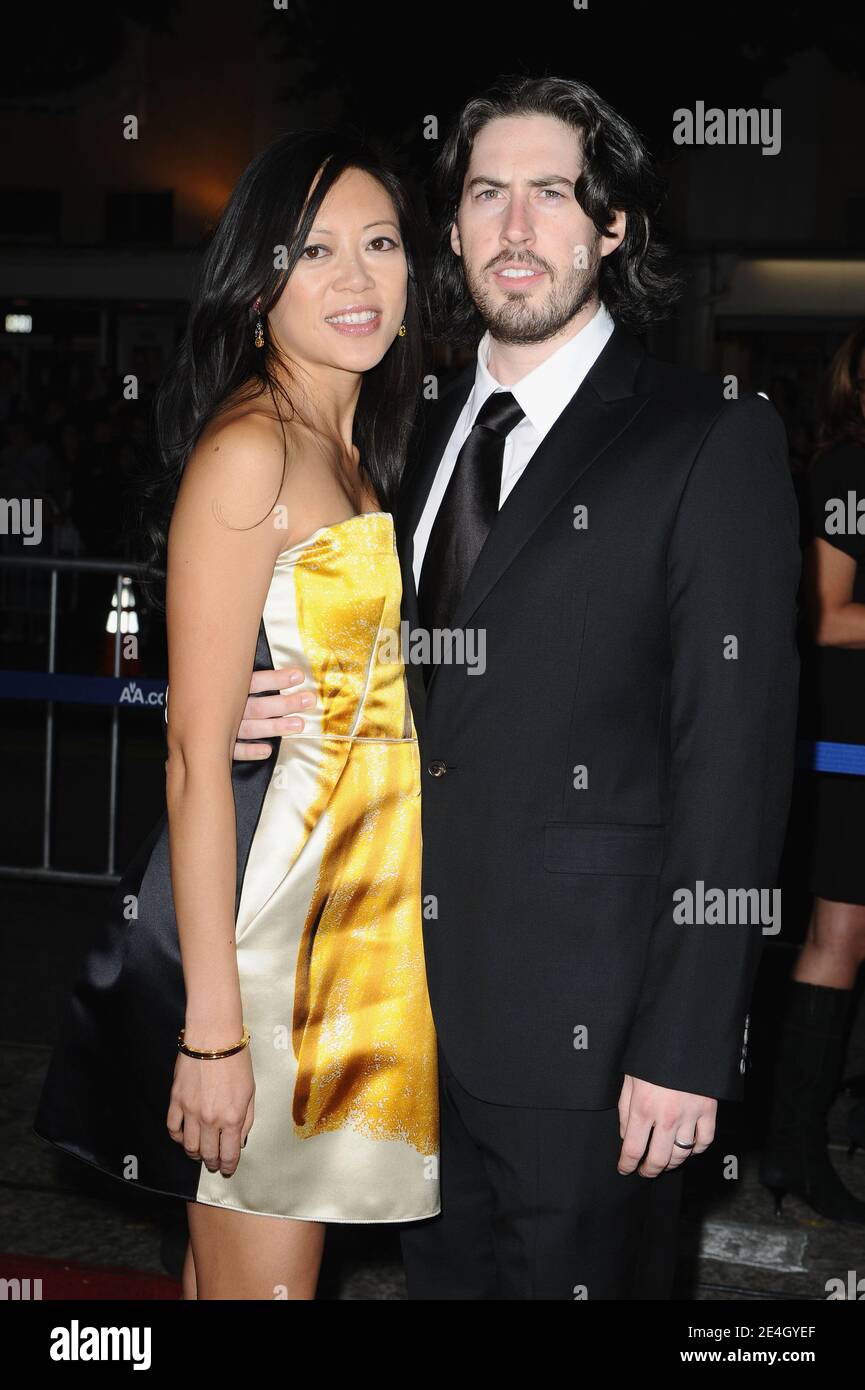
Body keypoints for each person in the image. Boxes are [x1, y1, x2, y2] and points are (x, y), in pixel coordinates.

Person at [242, 75, 802, 1299]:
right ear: (449, 229)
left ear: (612, 229)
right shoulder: (406, 417)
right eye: (487, 192)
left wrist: (687, 1042)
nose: (513, 227)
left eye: (554, 193)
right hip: (400, 1005)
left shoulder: (709, 432)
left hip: (596, 1039)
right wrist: (258, 694)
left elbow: (737, 754)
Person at [33, 130, 440, 1300]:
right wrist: (215, 1031)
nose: (358, 279)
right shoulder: (252, 449)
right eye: (315, 251)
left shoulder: (353, 447)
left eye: (380, 245)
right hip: (276, 942)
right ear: (258, 282)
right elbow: (191, 760)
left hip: (353, 922)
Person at [760, 325, 865, 1222]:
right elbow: (829, 618)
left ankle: (800, 1141)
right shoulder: (844, 474)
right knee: (837, 938)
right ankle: (789, 1149)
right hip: (848, 751)